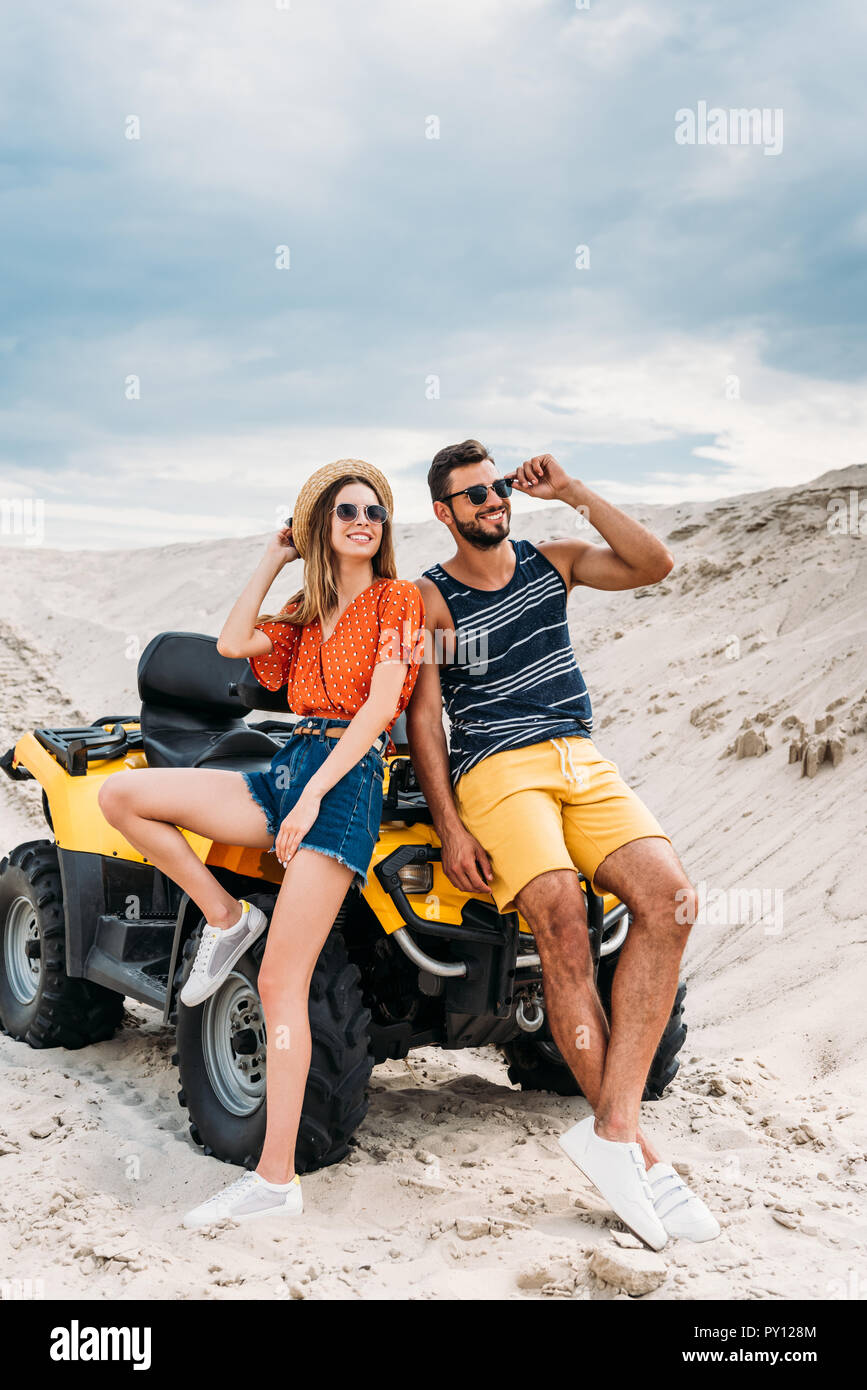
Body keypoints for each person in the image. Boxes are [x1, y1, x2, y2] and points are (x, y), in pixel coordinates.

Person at [406, 439, 719, 1250]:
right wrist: (448, 825)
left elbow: (654, 565)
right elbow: (423, 721)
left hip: (579, 758)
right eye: (472, 497)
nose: (491, 503)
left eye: (495, 488)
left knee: (669, 900)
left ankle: (615, 1135)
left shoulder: (557, 562)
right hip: (495, 769)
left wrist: (574, 489)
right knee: (558, 917)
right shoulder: (430, 599)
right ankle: (640, 1153)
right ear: (444, 513)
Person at [98, 459, 424, 1229]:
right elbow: (231, 640)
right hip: (286, 766)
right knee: (123, 796)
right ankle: (221, 916)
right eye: (344, 510)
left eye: (373, 510)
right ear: (321, 525)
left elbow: (381, 708)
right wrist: (276, 554)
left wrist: (313, 795)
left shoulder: (396, 599)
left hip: (342, 784)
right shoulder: (304, 609)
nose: (361, 519)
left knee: (281, 983)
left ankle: (274, 1179)